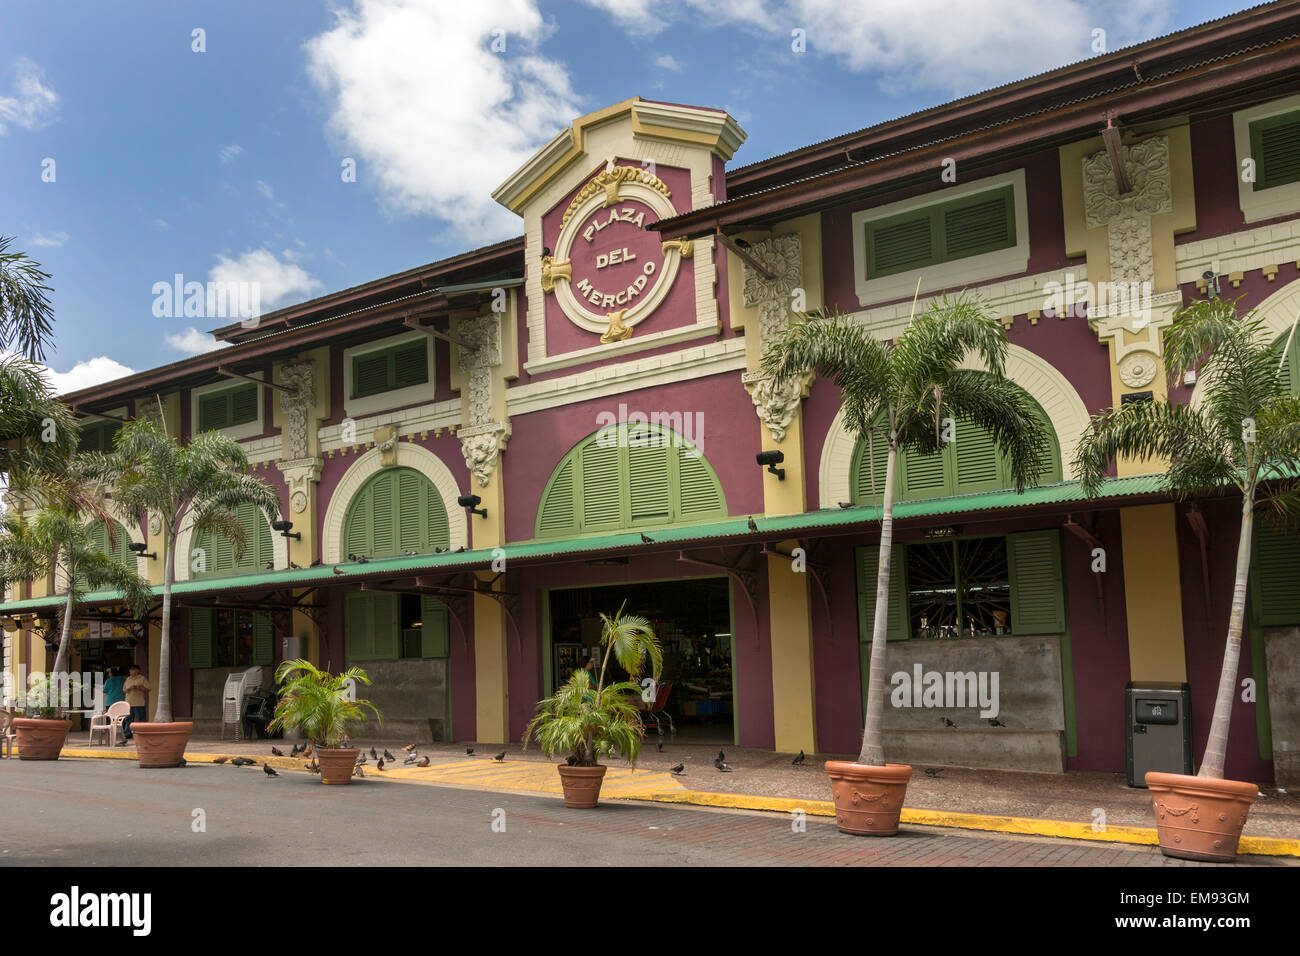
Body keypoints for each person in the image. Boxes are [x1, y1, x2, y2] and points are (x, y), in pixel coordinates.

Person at [120, 665, 150, 744]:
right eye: (130, 670)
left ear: (137, 671)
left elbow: (148, 689)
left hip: (139, 703)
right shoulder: (128, 679)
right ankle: (128, 734)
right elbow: (124, 689)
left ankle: (143, 733)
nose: (130, 672)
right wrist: (128, 689)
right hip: (129, 703)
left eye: (132, 670)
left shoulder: (142, 679)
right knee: (128, 719)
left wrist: (138, 687)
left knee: (141, 719)